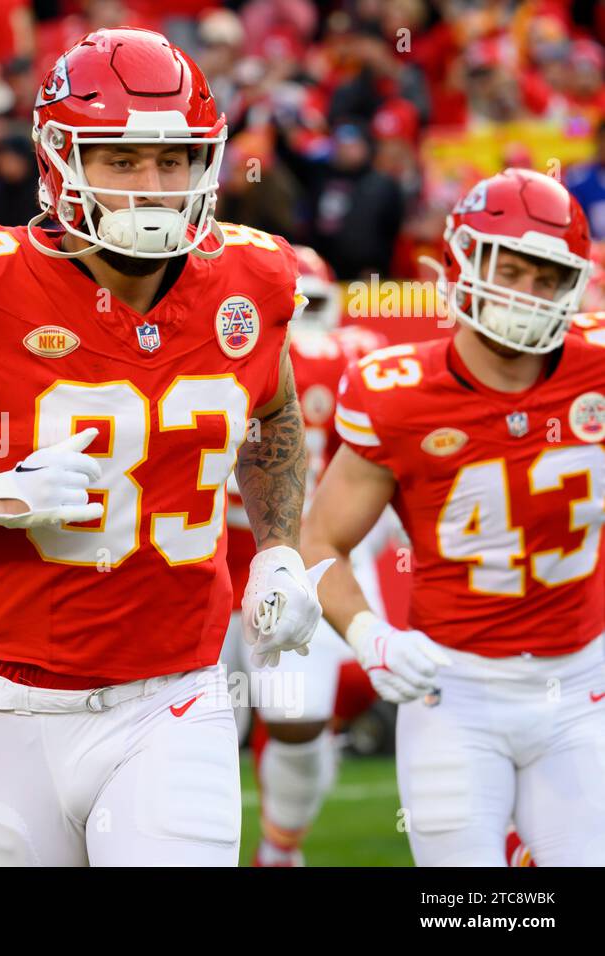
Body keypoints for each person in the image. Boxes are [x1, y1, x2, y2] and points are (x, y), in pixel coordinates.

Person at [0, 27, 327, 866]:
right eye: (120, 160)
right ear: (60, 160)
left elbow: (272, 413)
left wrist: (278, 549)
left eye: (173, 161)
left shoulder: (251, 282)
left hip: (177, 694)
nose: (153, 187)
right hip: (12, 702)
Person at [304, 168, 605, 866]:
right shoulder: (399, 394)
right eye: (511, 269)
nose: (525, 295)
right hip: (455, 688)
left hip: (580, 681)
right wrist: (370, 634)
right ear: (462, 262)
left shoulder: (596, 366)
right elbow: (320, 538)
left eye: (546, 277)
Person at [219, 246, 389, 865]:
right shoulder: (358, 354)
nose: (304, 321)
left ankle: (278, 849)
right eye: (295, 307)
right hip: (207, 555)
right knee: (207, 722)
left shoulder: (350, 358)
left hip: (297, 550)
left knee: (294, 714)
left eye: (312, 305)